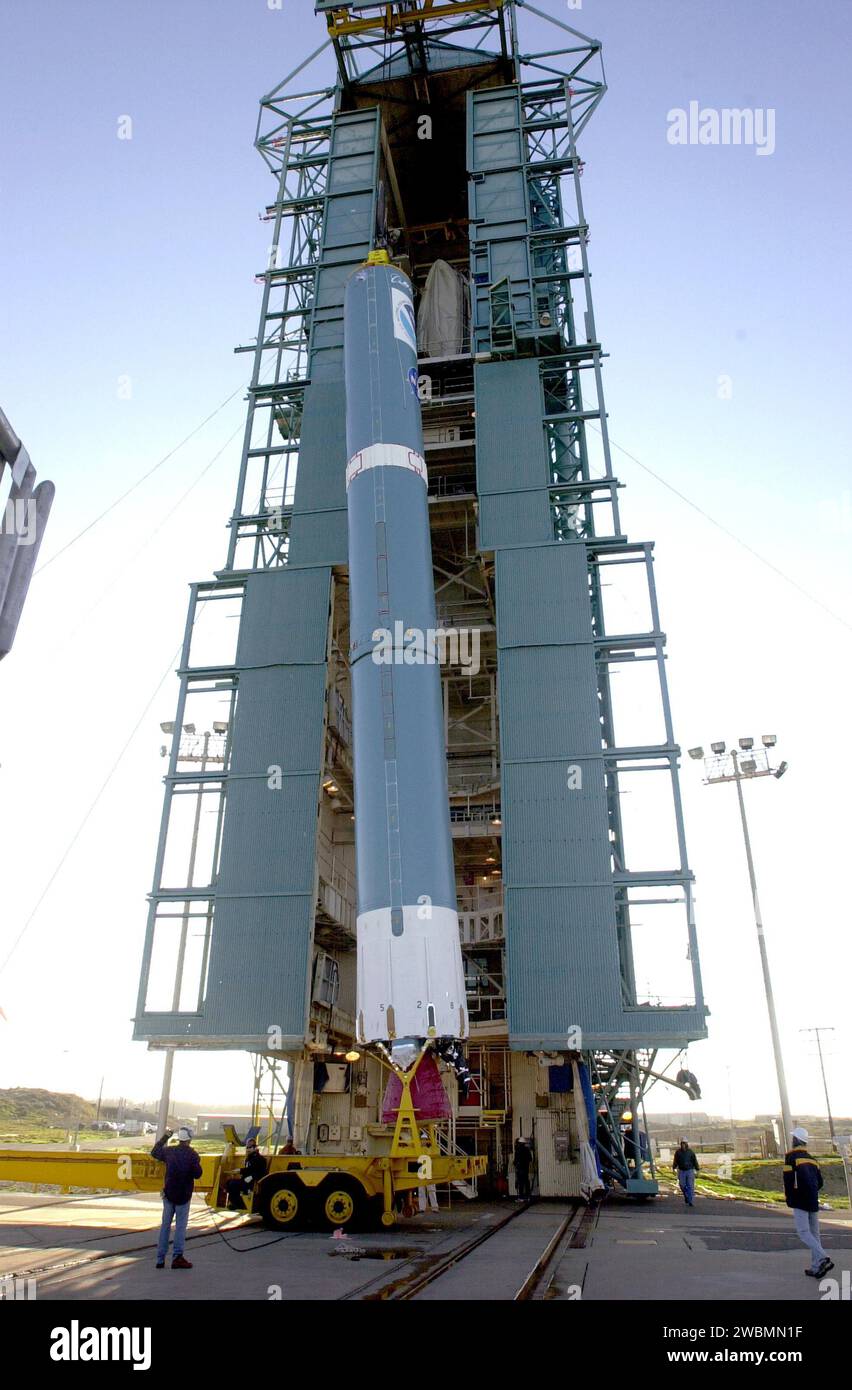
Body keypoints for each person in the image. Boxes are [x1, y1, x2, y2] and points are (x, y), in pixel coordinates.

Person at [783, 1127, 834, 1279]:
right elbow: (820, 1182)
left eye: (793, 1138)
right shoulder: (813, 1160)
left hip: (799, 1200)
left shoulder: (791, 1158)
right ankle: (816, 1267)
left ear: (795, 1141)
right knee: (815, 1234)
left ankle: (823, 1257)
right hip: (812, 1199)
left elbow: (788, 1180)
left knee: (803, 1232)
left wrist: (790, 1198)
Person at [151, 1126, 203, 1269]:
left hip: (169, 1193)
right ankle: (177, 1257)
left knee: (165, 1226)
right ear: (190, 1139)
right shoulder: (192, 1154)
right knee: (180, 1227)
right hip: (184, 1194)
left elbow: (154, 1152)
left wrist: (165, 1137)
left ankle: (160, 1259)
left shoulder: (169, 1151)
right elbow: (198, 1174)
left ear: (179, 1138)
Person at [225, 1137, 268, 1211]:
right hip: (246, 1180)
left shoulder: (260, 1159)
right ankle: (235, 1202)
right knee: (229, 1182)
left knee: (232, 1184)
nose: (248, 1149)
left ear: (255, 1148)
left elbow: (260, 1172)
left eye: (250, 1147)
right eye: (247, 1147)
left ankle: (238, 1204)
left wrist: (251, 1177)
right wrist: (240, 1170)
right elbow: (248, 1169)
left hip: (251, 1182)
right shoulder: (250, 1157)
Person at [672, 1138, 700, 1206]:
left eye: (684, 1143)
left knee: (690, 1186)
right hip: (681, 1171)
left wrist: (697, 1169)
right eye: (682, 1143)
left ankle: (690, 1200)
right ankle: (686, 1195)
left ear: (687, 1144)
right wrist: (674, 1168)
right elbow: (675, 1161)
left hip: (690, 1171)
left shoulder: (691, 1152)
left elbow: (694, 1161)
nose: (683, 1145)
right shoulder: (678, 1152)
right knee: (682, 1185)